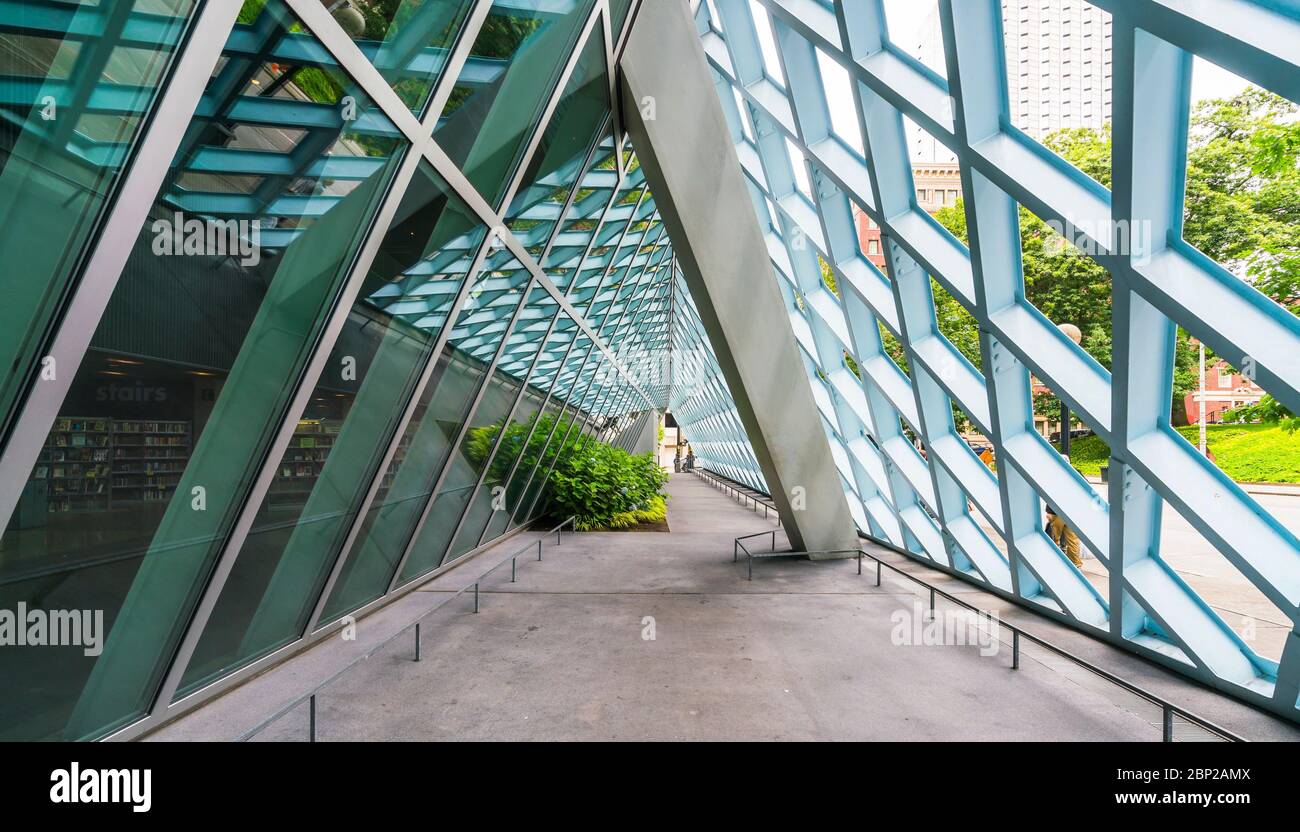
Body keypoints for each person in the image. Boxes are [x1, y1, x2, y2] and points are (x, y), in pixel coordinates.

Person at [1045, 503, 1082, 567]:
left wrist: (1049, 511)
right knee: (1073, 541)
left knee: (1053, 540)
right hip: (1070, 512)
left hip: (1055, 513)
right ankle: (1076, 565)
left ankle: (1054, 563)